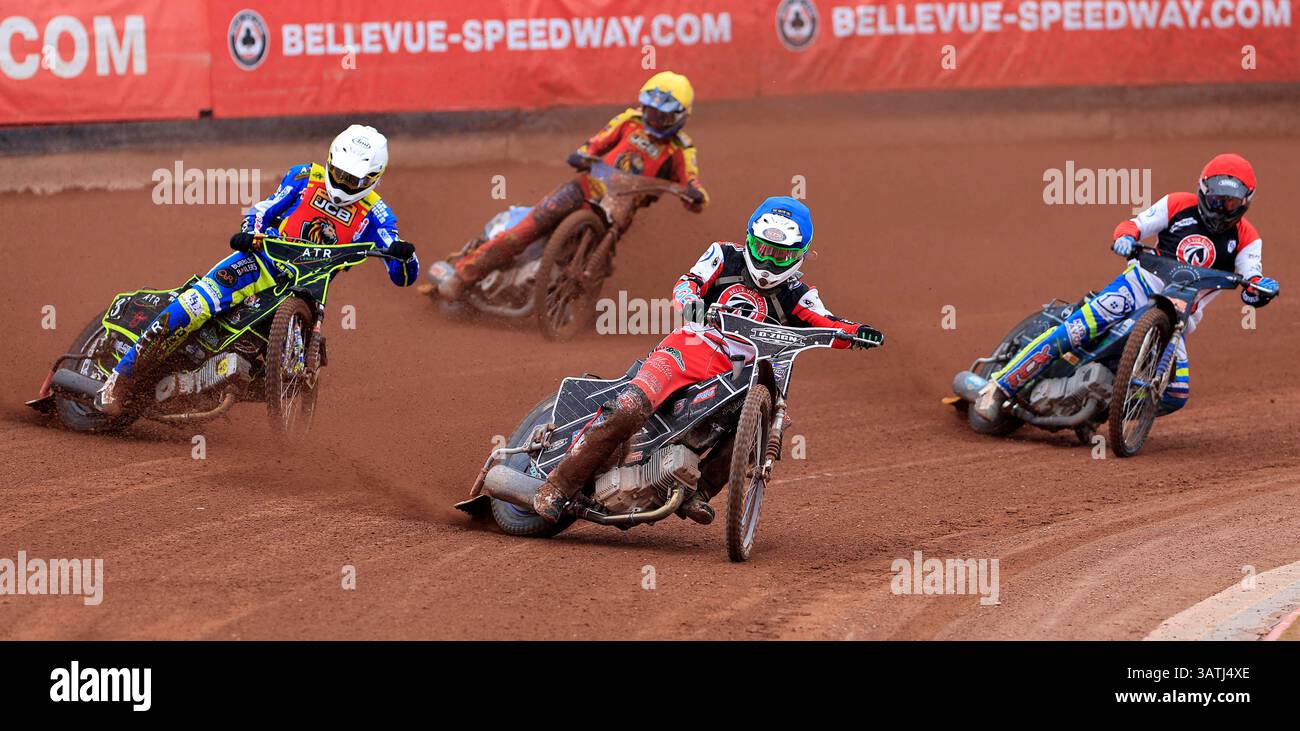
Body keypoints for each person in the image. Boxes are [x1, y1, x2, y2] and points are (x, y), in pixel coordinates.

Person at [531, 196, 883, 523]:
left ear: (801, 255)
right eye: (762, 249)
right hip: (688, 352)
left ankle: (698, 492)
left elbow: (830, 323)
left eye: (781, 255)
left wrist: (857, 332)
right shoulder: (723, 255)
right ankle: (557, 487)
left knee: (769, 421)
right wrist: (690, 302)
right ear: (749, 239)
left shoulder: (800, 295)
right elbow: (688, 283)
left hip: (743, 374)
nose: (768, 262)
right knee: (629, 406)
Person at [97, 124, 419, 415]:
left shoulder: (377, 214)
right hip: (259, 263)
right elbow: (265, 208)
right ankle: (119, 381)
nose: (342, 182)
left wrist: (404, 257)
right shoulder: (306, 176)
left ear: (371, 178)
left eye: (352, 180)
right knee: (192, 306)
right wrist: (251, 230)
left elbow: (401, 267)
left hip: (309, 287)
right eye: (337, 172)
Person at [974, 153, 1279, 421]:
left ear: (1246, 202)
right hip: (1136, 287)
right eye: (1216, 200)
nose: (1222, 209)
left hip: (1179, 316)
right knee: (1074, 331)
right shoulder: (1176, 204)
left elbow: (1251, 276)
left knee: (1176, 393)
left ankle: (1108, 408)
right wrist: (1126, 237)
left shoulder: (1248, 238)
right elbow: (1136, 224)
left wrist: (1256, 290)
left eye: (1231, 203)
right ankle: (999, 388)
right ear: (1202, 190)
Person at [431, 71, 708, 299]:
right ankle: (462, 275)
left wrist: (695, 196)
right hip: (586, 187)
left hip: (621, 209)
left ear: (679, 117)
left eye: (663, 116)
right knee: (527, 228)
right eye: (650, 110)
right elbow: (597, 141)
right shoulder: (629, 121)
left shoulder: (680, 150)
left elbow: (692, 185)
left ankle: (575, 302)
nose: (654, 119)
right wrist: (583, 153)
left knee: (599, 262)